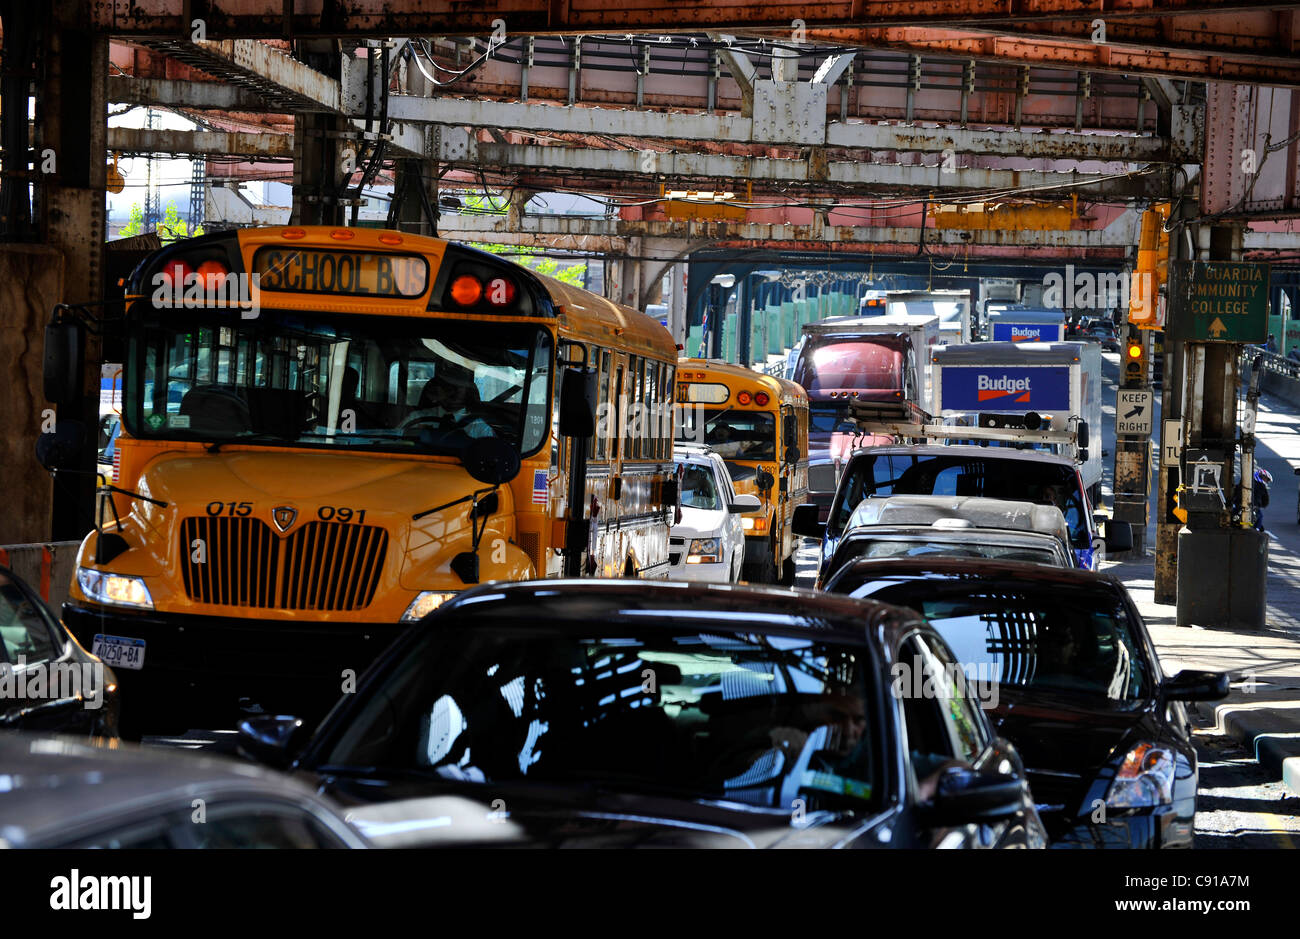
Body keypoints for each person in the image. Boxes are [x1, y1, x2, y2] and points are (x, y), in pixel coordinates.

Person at [409, 361, 494, 439]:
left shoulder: (478, 426)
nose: (453, 393)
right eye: (447, 387)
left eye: (458, 387)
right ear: (437, 390)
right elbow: (398, 440)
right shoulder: (417, 418)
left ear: (468, 392)